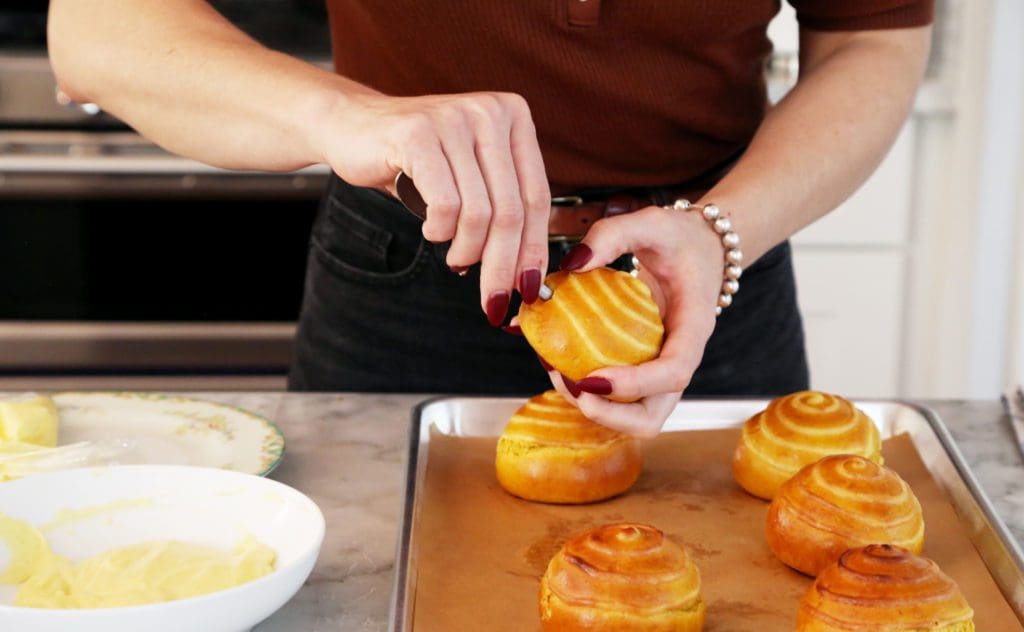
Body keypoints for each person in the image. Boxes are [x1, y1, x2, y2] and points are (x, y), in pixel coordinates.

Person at [47, 1, 933, 437]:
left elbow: (871, 36)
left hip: (709, 265)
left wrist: (720, 231)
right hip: (405, 274)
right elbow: (94, 27)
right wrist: (342, 114)